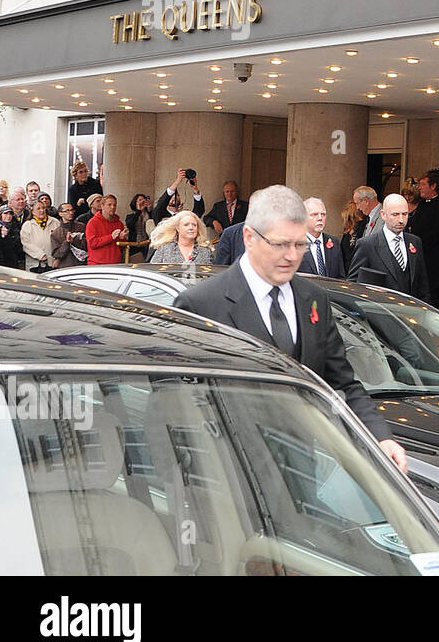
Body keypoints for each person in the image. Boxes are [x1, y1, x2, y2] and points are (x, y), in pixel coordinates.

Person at [171, 185, 407, 472]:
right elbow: (177, 403)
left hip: (302, 467)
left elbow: (342, 382)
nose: (292, 256)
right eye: (281, 244)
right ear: (249, 237)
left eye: (300, 245)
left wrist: (380, 437)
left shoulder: (313, 299)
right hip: (226, 475)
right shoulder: (200, 304)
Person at [348, 193, 432, 303]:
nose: (401, 220)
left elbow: (422, 285)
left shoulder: (415, 242)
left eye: (405, 214)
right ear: (383, 215)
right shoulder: (367, 245)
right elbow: (354, 284)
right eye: (395, 215)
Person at [407, 169, 439, 307]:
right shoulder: (423, 204)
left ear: (433, 186)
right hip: (420, 256)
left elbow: (438, 234)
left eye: (423, 184)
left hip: (435, 261)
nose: (419, 187)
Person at [298, 197, 345, 278]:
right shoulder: (294, 243)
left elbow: (340, 276)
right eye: (314, 214)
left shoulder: (334, 242)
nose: (320, 218)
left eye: (323, 214)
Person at [148, 211, 214, 264]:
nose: (191, 228)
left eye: (194, 225)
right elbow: (153, 272)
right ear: (178, 228)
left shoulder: (206, 250)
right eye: (186, 225)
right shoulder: (165, 248)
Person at [84, 195, 128, 265]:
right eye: (109, 205)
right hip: (97, 264)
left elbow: (122, 245)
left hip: (115, 263)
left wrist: (122, 238)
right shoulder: (93, 222)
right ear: (102, 206)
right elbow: (92, 243)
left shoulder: (119, 223)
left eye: (114, 205)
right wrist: (111, 237)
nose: (113, 207)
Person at [20, 199, 60, 272]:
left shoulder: (55, 222)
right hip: (34, 264)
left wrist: (58, 258)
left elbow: (60, 241)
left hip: (52, 263)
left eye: (43, 208)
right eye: (38, 208)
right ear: (32, 212)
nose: (42, 210)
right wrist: (40, 255)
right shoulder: (27, 225)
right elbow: (26, 244)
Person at [51, 202, 86, 268]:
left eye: (72, 210)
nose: (71, 213)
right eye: (67, 211)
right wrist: (67, 242)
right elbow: (57, 254)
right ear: (60, 214)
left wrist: (75, 240)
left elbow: (88, 245)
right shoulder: (56, 233)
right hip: (66, 267)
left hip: (82, 265)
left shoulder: (81, 226)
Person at [124, 193, 155, 263]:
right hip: (135, 247)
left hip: (148, 246)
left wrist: (150, 210)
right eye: (140, 200)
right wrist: (138, 210)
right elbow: (130, 225)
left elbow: (155, 223)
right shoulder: (130, 216)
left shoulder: (150, 215)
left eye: (144, 200)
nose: (142, 202)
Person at [0, 204, 23, 268]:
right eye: (6, 214)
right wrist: (2, 236)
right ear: (0, 215)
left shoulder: (16, 226)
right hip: (0, 262)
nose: (8, 216)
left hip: (13, 261)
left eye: (10, 214)